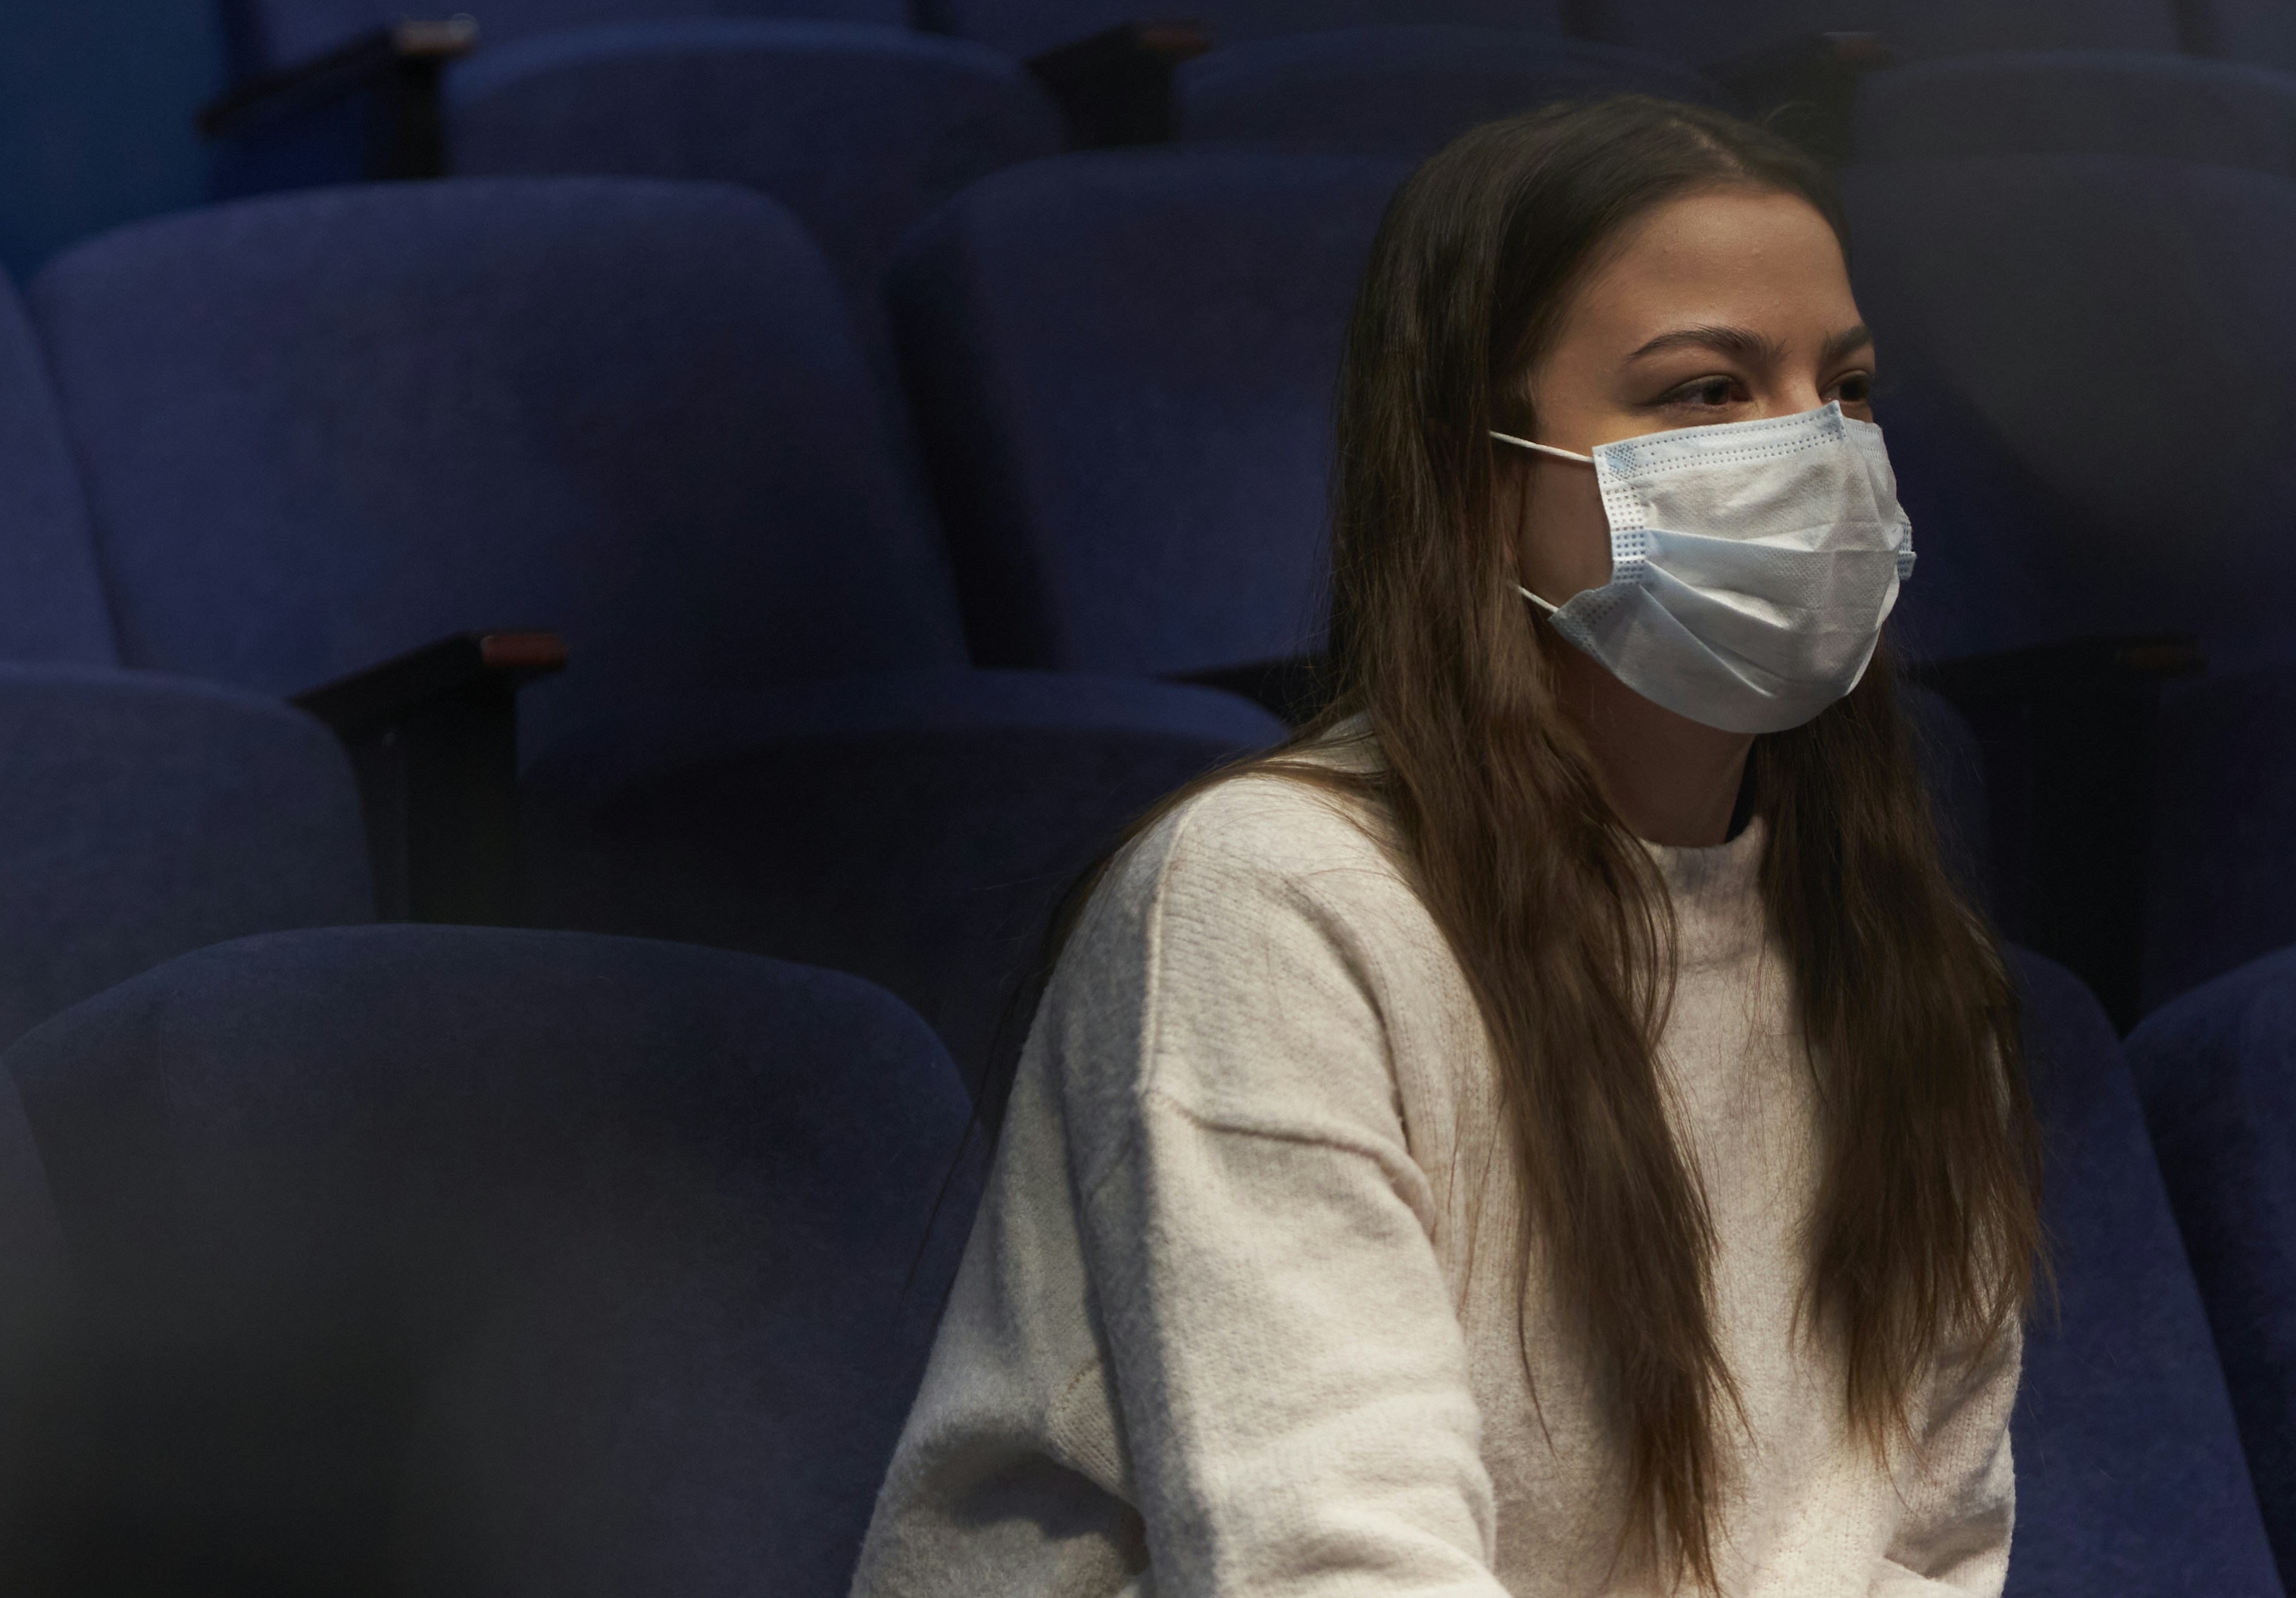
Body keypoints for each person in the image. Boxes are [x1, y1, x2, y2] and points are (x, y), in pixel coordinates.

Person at [852, 98, 2040, 1597]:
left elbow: (1924, 1546)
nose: (1806, 451)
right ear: (1477, 478)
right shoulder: (1272, 901)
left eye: (1844, 388)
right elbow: (1326, 1563)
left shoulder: (1898, 961)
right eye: (1701, 394)